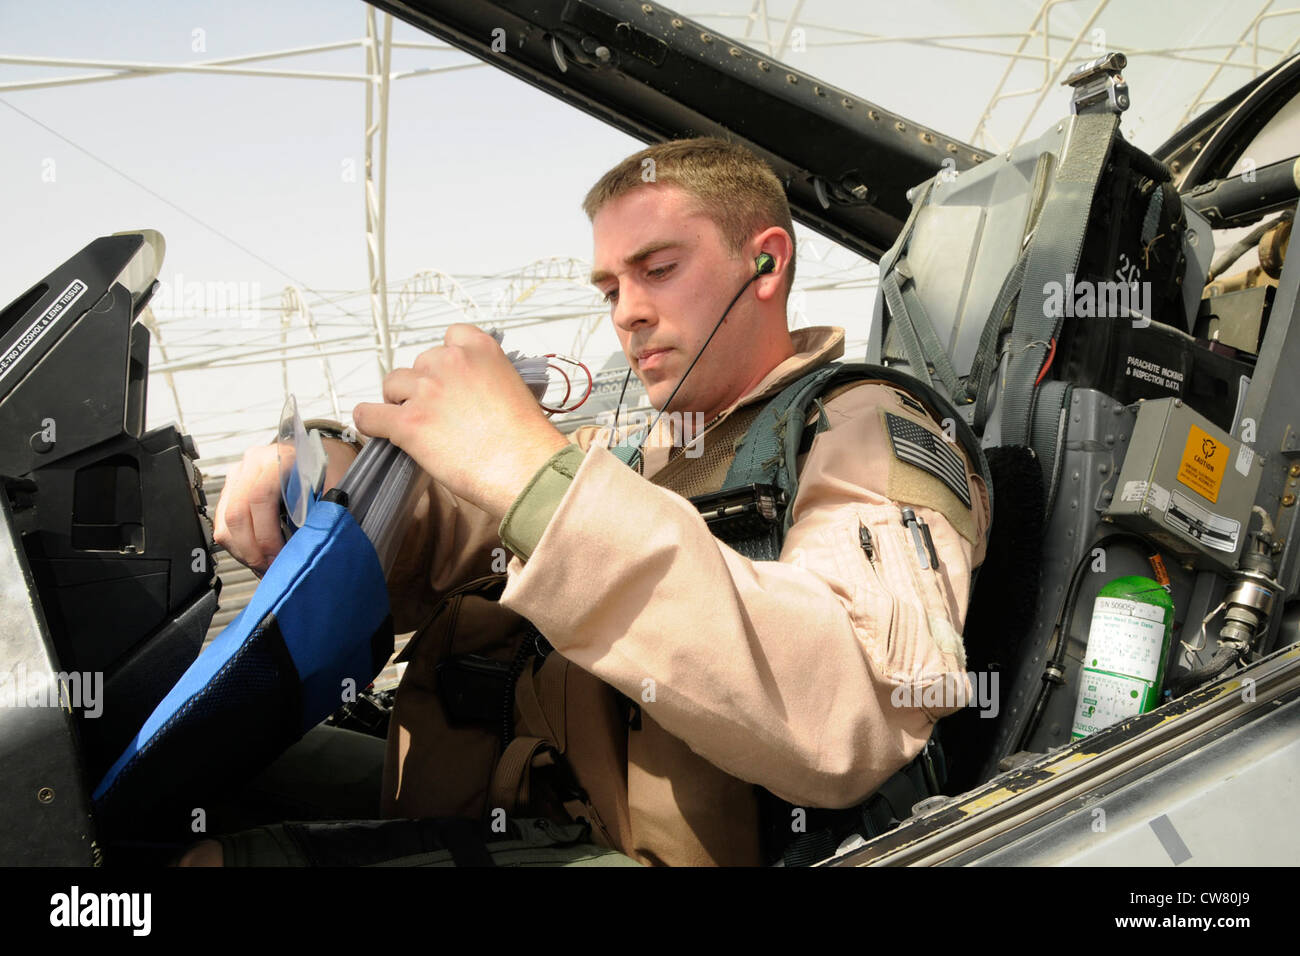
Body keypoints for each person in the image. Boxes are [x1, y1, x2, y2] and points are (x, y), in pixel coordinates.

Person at [187, 137, 990, 867]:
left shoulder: (864, 428)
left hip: (660, 849)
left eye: (659, 269)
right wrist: (323, 468)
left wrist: (530, 471)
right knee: (213, 776)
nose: (627, 313)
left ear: (766, 266)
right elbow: (456, 528)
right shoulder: (645, 444)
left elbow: (854, 708)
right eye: (610, 285)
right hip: (533, 788)